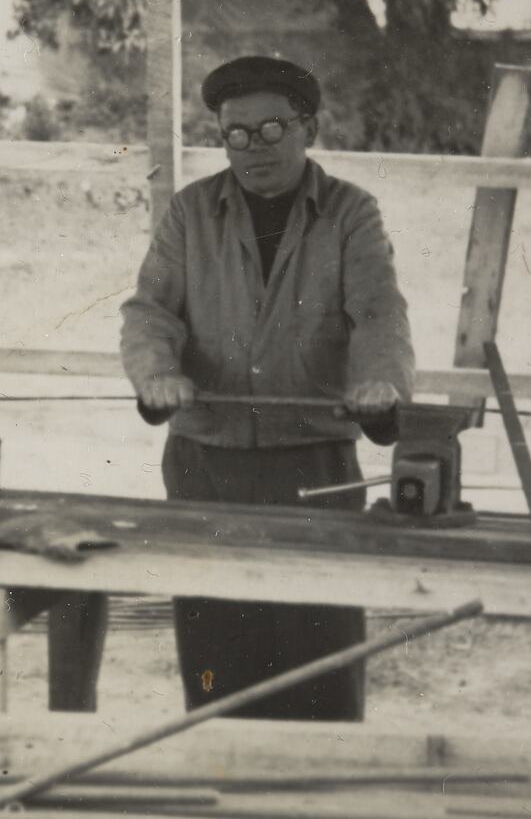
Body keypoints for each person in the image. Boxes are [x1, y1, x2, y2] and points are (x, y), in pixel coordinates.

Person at [119, 55, 415, 722]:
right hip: (206, 468)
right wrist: (157, 373)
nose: (255, 148)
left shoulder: (350, 214)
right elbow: (150, 312)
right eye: (237, 134)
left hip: (315, 467)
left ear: (308, 127)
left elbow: (378, 312)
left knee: (321, 667)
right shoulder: (190, 213)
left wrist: (379, 384)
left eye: (273, 128)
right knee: (218, 662)